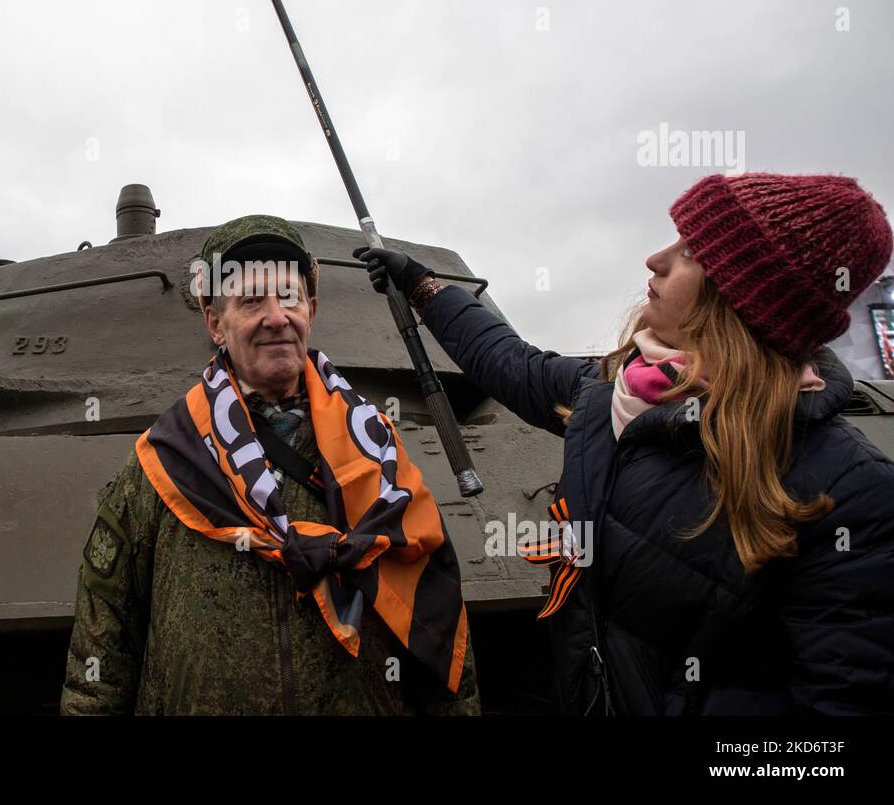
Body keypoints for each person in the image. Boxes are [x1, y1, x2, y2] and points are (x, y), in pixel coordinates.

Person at [356, 172, 894, 714]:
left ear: (744, 300)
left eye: (692, 252)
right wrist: (423, 286)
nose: (655, 260)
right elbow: (515, 365)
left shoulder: (853, 493)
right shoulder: (618, 394)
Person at [61, 215, 479, 714]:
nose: (276, 316)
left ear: (312, 308)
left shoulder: (379, 453)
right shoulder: (164, 461)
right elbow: (102, 649)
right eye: (251, 300)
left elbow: (439, 629)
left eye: (289, 295)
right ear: (215, 322)